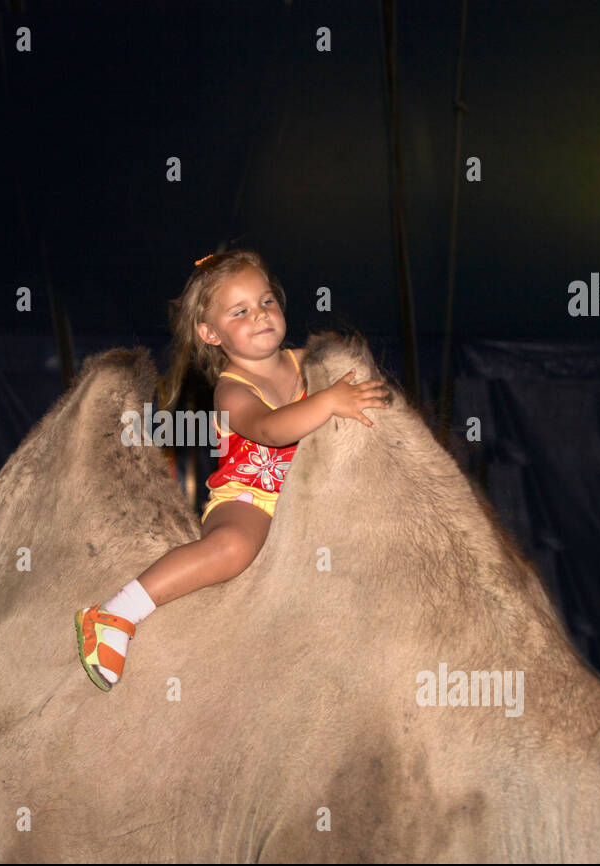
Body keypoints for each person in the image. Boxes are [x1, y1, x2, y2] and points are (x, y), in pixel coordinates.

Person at [73, 250, 390, 691]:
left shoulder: (312, 366)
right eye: (240, 311)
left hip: (312, 494)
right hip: (250, 496)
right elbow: (271, 429)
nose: (260, 315)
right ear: (210, 332)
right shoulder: (231, 391)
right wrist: (329, 401)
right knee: (234, 548)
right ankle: (116, 612)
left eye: (266, 301)